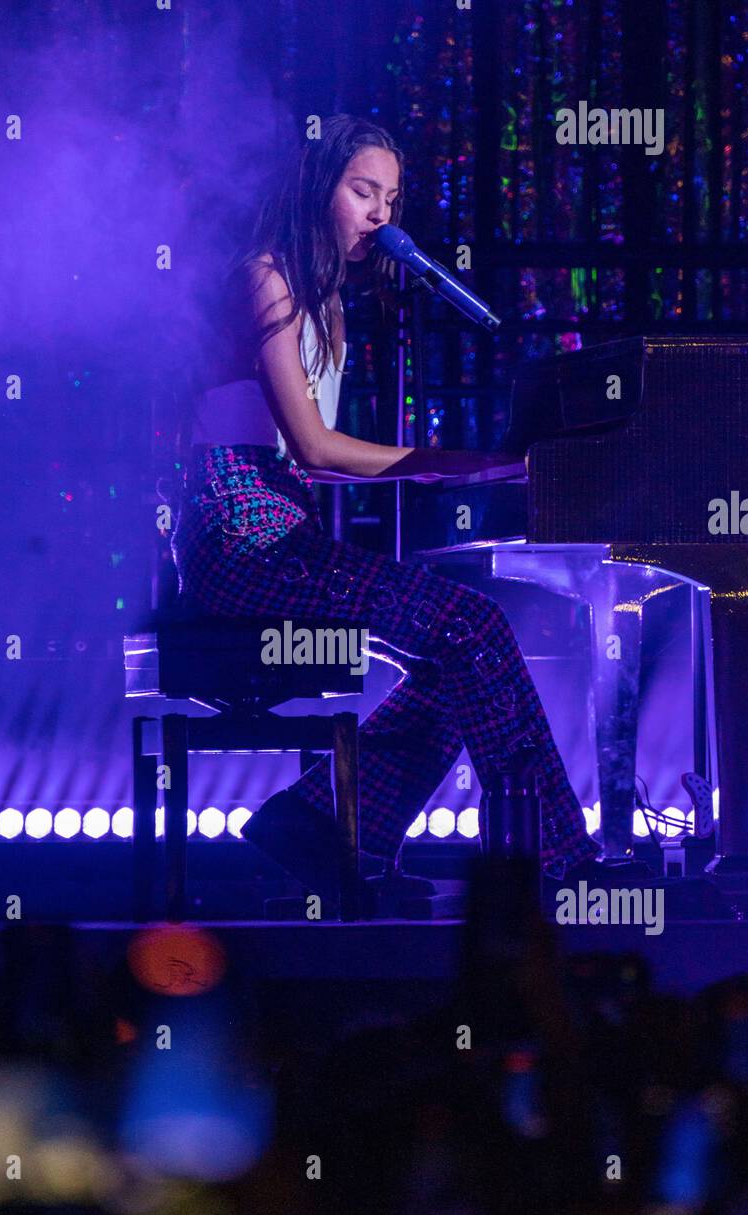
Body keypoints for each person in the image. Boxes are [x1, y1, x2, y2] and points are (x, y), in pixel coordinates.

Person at [171, 114, 598, 910]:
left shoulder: (325, 301)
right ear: (315, 187)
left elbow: (307, 461)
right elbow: (313, 448)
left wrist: (449, 475)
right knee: (471, 627)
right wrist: (449, 464)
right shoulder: (266, 276)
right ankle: (560, 862)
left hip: (280, 523)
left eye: (391, 199)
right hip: (238, 536)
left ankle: (322, 825)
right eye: (362, 191)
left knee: (460, 650)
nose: (379, 215)